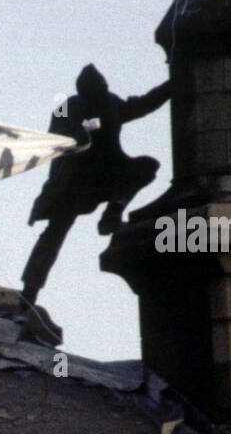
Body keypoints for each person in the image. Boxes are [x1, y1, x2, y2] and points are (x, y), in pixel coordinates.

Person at [20, 64, 170, 308]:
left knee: (147, 166)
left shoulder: (110, 102)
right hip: (72, 185)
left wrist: (172, 84)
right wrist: (79, 132)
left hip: (109, 176)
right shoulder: (65, 106)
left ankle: (113, 212)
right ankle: (28, 295)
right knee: (52, 236)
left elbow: (142, 104)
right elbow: (53, 137)